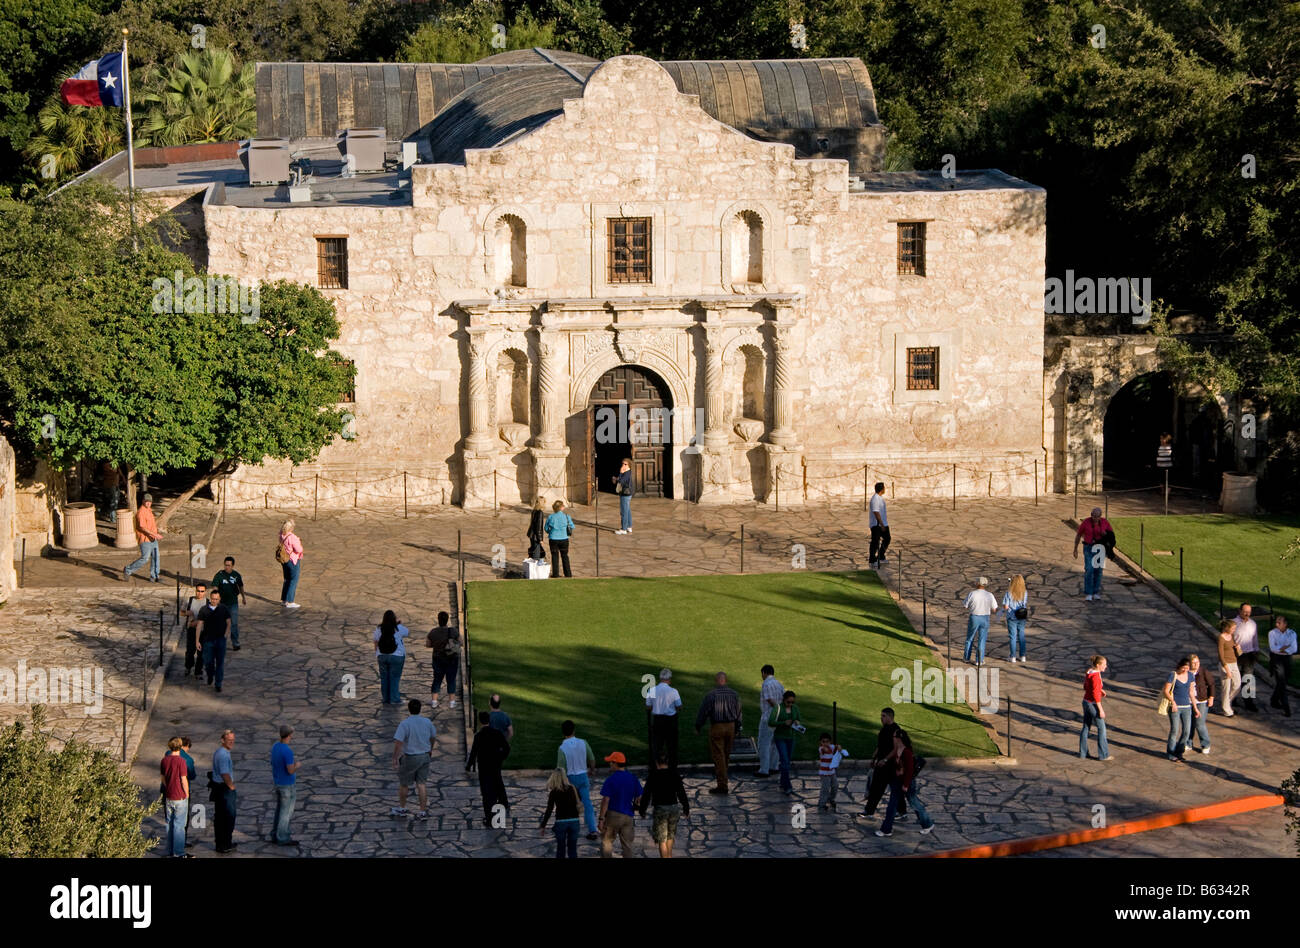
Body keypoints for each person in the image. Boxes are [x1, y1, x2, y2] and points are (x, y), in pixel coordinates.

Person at [877, 730, 934, 836]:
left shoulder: (907, 752)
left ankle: (928, 823)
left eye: (894, 737)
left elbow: (909, 770)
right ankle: (886, 829)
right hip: (896, 781)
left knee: (914, 803)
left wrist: (906, 785)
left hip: (906, 783)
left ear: (898, 739)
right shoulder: (897, 750)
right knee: (892, 805)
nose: (892, 739)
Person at [694, 671, 743, 795]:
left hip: (717, 726)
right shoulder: (734, 694)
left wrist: (698, 726)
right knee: (726, 755)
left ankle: (722, 785)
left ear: (717, 681)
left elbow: (703, 712)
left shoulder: (711, 695)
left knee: (718, 756)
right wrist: (738, 727)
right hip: (731, 726)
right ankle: (723, 781)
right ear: (725, 680)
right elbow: (739, 713)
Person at [391, 699, 437, 818]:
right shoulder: (427, 722)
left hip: (410, 757)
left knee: (404, 783)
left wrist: (395, 758)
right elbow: (433, 737)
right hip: (425, 755)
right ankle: (422, 811)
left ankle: (402, 808)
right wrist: (430, 749)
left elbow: (398, 742)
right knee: (421, 784)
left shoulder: (405, 724)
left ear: (409, 709)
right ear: (420, 709)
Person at [638, 753, 689, 858]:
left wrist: (642, 810)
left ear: (657, 763)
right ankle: (669, 856)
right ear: (667, 762)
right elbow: (681, 792)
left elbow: (646, 794)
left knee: (662, 839)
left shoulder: (653, 775)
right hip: (674, 808)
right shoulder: (674, 774)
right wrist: (686, 808)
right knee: (670, 836)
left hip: (661, 809)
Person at [466, 710, 510, 826]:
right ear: (489, 720)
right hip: (495, 766)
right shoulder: (497, 734)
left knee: (486, 794)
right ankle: (499, 816)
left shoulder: (479, 736)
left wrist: (468, 766)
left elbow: (473, 753)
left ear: (480, 722)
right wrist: (501, 758)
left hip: (484, 768)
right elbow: (506, 748)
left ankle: (489, 818)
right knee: (497, 790)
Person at [859, 708, 904, 819]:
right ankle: (869, 811)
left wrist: (885, 760)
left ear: (890, 717)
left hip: (890, 765)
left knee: (894, 789)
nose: (881, 718)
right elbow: (880, 745)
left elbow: (895, 749)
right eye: (881, 716)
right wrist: (874, 758)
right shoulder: (884, 729)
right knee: (876, 787)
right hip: (881, 764)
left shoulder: (896, 730)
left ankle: (902, 811)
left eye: (883, 716)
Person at [557, 720, 599, 840]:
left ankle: (568, 828)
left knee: (569, 805)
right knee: (587, 804)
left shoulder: (562, 748)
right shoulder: (583, 743)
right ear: (574, 730)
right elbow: (591, 758)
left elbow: (561, 768)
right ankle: (592, 829)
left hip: (570, 779)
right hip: (583, 776)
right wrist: (592, 769)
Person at [597, 751, 642, 858]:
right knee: (627, 846)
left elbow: (605, 801)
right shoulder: (632, 778)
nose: (609, 764)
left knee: (607, 843)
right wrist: (635, 802)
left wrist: (601, 819)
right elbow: (639, 795)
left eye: (610, 762)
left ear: (615, 763)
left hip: (613, 815)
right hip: (628, 816)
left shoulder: (611, 780)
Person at [1073, 507, 1114, 602]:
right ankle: (1088, 592)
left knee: (1098, 570)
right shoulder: (1086, 523)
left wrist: (1105, 535)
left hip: (1100, 548)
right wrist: (1075, 549)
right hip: (1089, 547)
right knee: (1089, 569)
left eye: (1097, 516)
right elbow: (1078, 535)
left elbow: (1111, 536)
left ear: (1100, 516)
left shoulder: (1104, 522)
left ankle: (1095, 592)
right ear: (1091, 515)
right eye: (1093, 516)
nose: (1095, 518)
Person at [539, 769, 582, 858]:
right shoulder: (573, 789)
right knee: (572, 849)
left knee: (560, 849)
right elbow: (580, 801)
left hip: (561, 822)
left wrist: (543, 825)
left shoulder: (554, 792)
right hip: (575, 821)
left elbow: (549, 810)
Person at [1163, 656, 1199, 762]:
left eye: (1187, 668)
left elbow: (1191, 692)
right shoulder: (1173, 675)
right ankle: (1170, 752)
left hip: (1187, 707)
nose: (1185, 670)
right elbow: (1166, 690)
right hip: (1175, 707)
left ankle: (1179, 752)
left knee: (1187, 731)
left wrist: (1195, 708)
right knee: (1174, 730)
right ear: (1180, 666)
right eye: (1184, 668)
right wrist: (1173, 702)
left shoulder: (1191, 676)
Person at [196, 588, 232, 692]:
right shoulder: (204, 610)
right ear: (210, 599)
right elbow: (199, 625)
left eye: (216, 599)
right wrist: (197, 640)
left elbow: (229, 622)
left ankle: (218, 683)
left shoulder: (224, 609)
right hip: (208, 640)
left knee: (220, 663)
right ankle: (210, 675)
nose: (214, 601)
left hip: (220, 639)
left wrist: (226, 634)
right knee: (208, 662)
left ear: (219, 599)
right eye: (212, 599)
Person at [270, 725, 301, 846]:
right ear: (289, 735)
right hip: (287, 785)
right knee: (286, 813)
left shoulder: (275, 746)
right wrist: (297, 765)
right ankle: (283, 837)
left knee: (279, 810)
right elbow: (290, 770)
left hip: (278, 783)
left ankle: (274, 834)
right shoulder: (287, 750)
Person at [160, 737, 191, 858]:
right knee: (179, 826)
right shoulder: (181, 761)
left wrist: (168, 787)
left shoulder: (164, 760)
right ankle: (179, 852)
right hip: (180, 797)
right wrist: (186, 793)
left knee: (169, 823)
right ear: (180, 746)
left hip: (169, 796)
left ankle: (169, 850)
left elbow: (162, 778)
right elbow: (184, 779)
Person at [646, 668, 682, 766]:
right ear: (669, 679)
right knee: (672, 746)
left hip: (658, 720)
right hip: (670, 721)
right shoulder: (673, 691)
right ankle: (672, 768)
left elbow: (648, 706)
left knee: (657, 745)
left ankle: (656, 766)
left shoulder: (652, 690)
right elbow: (679, 706)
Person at [768, 690, 802, 795]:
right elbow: (771, 722)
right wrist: (783, 723)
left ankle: (783, 782)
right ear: (784, 700)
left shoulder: (795, 708)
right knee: (785, 761)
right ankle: (787, 786)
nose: (790, 704)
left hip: (791, 737)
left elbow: (799, 719)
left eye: (792, 702)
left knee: (786, 762)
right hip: (780, 737)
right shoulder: (778, 708)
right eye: (788, 702)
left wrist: (797, 722)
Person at [123, 493, 163, 583]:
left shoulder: (149, 510)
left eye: (150, 502)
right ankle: (128, 569)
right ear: (143, 501)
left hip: (153, 539)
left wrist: (156, 534)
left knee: (156, 557)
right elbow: (142, 527)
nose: (148, 503)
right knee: (145, 558)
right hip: (145, 539)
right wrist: (155, 534)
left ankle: (155, 576)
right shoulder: (141, 512)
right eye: (146, 501)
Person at [373, 610, 409, 705]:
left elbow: (375, 641)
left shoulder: (379, 628)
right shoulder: (398, 628)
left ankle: (386, 699)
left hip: (382, 656)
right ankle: (394, 699)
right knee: (395, 678)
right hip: (397, 656)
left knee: (384, 678)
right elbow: (407, 632)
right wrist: (400, 624)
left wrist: (377, 653)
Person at [212, 557, 247, 651]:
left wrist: (243, 598)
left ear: (232, 566)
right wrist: (215, 596)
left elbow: (240, 586)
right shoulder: (219, 575)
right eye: (225, 565)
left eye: (229, 565)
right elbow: (215, 586)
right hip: (222, 604)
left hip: (233, 604)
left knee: (234, 624)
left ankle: (235, 643)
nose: (227, 567)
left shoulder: (236, 575)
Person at [211, 729, 238, 853]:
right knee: (228, 817)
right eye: (229, 740)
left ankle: (222, 843)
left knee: (221, 817)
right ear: (222, 740)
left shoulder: (221, 752)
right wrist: (231, 786)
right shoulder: (222, 754)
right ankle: (225, 844)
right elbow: (224, 773)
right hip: (223, 788)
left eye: (233, 740)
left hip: (219, 787)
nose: (231, 742)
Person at [426, 611, 459, 710]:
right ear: (447, 620)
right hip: (451, 659)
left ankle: (434, 701)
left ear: (438, 620)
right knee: (451, 679)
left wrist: (436, 645)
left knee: (437, 679)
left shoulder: (433, 632)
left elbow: (428, 644)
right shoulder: (453, 631)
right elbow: (461, 642)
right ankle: (452, 702)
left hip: (438, 659)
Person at [1079, 655, 1110, 760]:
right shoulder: (1096, 676)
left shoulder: (1089, 672)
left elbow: (1086, 687)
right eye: (1104, 664)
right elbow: (1096, 696)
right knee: (1102, 729)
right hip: (1092, 704)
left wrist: (1100, 690)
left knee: (1086, 727)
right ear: (1098, 665)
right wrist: (1100, 710)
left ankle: (1083, 753)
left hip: (1085, 701)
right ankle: (1103, 755)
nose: (1106, 666)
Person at [962, 577, 998, 666]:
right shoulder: (990, 595)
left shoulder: (972, 594)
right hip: (985, 617)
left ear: (978, 583)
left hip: (974, 616)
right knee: (982, 639)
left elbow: (965, 606)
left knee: (970, 638)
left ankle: (967, 657)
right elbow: (994, 609)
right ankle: (979, 660)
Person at [756, 664, 784, 778]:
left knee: (764, 743)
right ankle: (774, 766)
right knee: (775, 744)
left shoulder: (766, 684)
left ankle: (764, 769)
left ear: (764, 673)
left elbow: (769, 700)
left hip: (768, 717)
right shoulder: (779, 684)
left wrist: (776, 709)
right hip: (778, 718)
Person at [1231, 604, 1260, 712]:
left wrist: (1256, 651)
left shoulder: (1253, 624)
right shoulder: (1233, 623)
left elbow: (1255, 639)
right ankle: (1232, 700)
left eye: (1249, 611)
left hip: (1249, 655)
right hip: (1236, 655)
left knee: (1248, 679)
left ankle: (1248, 702)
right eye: (1245, 611)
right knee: (1235, 679)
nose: (1247, 613)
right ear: (1239, 611)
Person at [1268, 615, 1295, 716]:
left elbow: (1294, 648)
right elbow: (1272, 648)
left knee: (1283, 681)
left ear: (1285, 624)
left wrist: (1283, 649)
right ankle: (1286, 707)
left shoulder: (1292, 634)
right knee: (1282, 683)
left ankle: (1274, 700)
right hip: (1276, 660)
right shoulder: (1272, 633)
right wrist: (1284, 648)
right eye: (1276, 622)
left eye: (1279, 623)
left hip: (1287, 659)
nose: (1276, 624)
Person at [181, 583, 208, 679]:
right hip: (191, 630)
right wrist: (187, 613)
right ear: (195, 591)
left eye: (202, 591)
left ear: (205, 592)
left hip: (203, 631)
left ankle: (198, 672)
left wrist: (197, 622)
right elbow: (181, 612)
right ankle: (188, 667)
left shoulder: (208, 603)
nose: (200, 593)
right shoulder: (190, 600)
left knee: (201, 653)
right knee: (190, 651)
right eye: (198, 591)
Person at [1189, 654, 1214, 755]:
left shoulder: (1204, 672)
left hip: (1202, 701)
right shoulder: (1187, 672)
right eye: (1194, 662)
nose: (1196, 664)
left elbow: (1211, 684)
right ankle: (1188, 743)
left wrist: (1211, 697)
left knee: (1199, 723)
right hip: (1189, 701)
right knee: (1189, 724)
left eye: (1197, 662)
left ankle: (1205, 744)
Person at [1002, 574, 1030, 662]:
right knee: (1021, 635)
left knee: (1013, 637)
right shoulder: (1025, 592)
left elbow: (1006, 606)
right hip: (1022, 616)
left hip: (1012, 617)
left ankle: (1012, 656)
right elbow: (1024, 604)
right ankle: (1023, 656)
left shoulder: (1009, 593)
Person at [816, 732, 847, 810]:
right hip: (824, 773)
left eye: (827, 741)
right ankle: (822, 803)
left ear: (830, 742)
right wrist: (834, 749)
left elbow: (838, 748)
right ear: (820, 742)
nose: (825, 743)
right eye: (823, 741)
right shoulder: (821, 749)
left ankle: (831, 799)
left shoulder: (832, 747)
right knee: (825, 788)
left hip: (832, 772)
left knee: (835, 786)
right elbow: (825, 750)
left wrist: (839, 747)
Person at [544, 500, 575, 578]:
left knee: (554, 556)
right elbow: (572, 526)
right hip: (564, 539)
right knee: (565, 556)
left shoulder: (551, 517)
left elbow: (546, 528)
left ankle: (555, 574)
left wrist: (550, 531)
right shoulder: (566, 516)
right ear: (561, 508)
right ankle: (568, 574)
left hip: (553, 539)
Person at [1218, 620, 1241, 716]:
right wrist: (1227, 669)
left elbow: (1236, 651)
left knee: (1237, 685)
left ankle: (1227, 703)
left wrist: (1238, 648)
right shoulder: (1221, 638)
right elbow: (1221, 655)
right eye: (1233, 628)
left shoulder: (1231, 636)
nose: (1234, 630)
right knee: (1226, 688)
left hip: (1234, 663)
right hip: (1226, 664)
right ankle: (1227, 710)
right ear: (1227, 628)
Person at [278, 519, 303, 608]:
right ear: (291, 528)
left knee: (287, 579)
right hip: (292, 560)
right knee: (293, 580)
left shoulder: (281, 534)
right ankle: (290, 601)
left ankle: (284, 600)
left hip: (284, 560)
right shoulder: (292, 537)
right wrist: (298, 541)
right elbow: (299, 550)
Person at [868, 481, 890, 568]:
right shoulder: (875, 499)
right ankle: (872, 560)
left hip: (883, 523)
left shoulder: (880, 498)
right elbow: (876, 512)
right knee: (875, 542)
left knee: (887, 539)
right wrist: (881, 524)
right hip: (877, 525)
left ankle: (881, 556)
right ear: (882, 489)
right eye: (884, 488)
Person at [614, 457, 633, 535]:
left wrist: (621, 472)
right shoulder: (627, 472)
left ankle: (623, 529)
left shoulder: (627, 473)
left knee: (624, 511)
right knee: (627, 510)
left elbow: (621, 481)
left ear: (629, 465)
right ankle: (629, 526)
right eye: (622, 463)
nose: (623, 465)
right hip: (627, 494)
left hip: (625, 494)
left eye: (625, 464)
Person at [526, 496, 548, 561]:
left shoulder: (534, 511)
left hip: (531, 535)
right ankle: (535, 569)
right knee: (536, 554)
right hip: (536, 536)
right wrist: (540, 539)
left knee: (534, 552)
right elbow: (538, 527)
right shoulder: (540, 512)